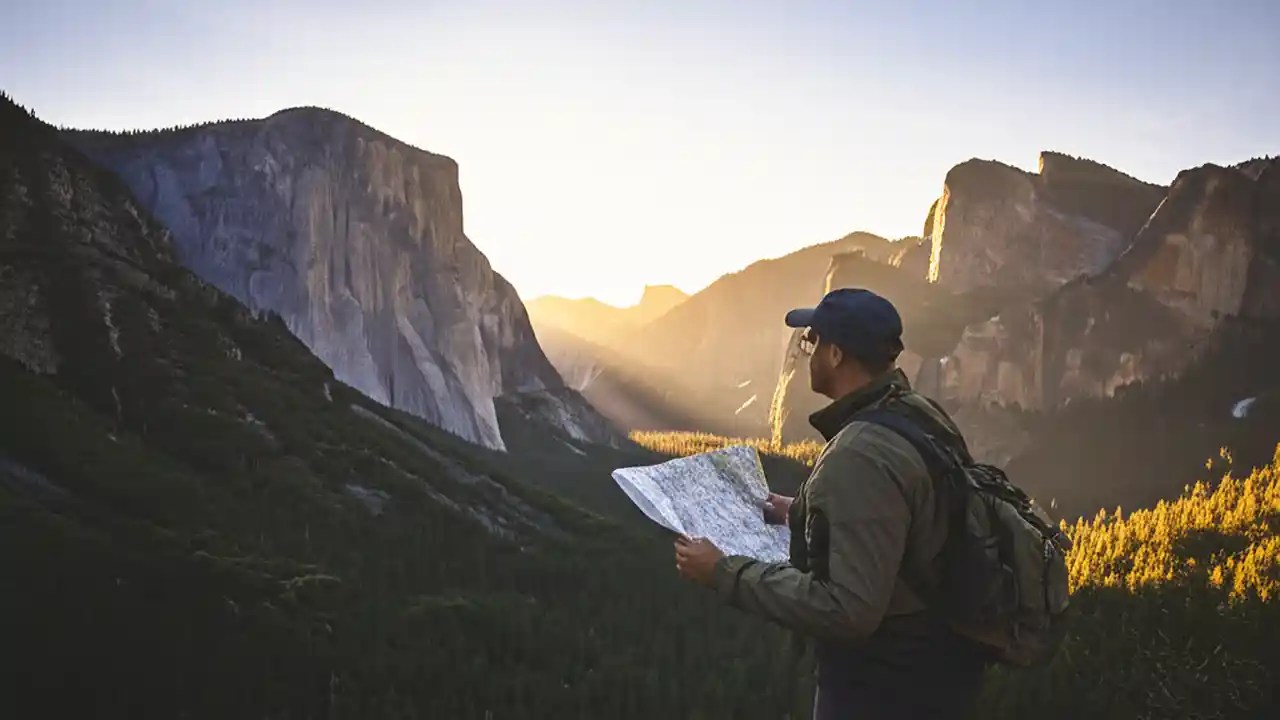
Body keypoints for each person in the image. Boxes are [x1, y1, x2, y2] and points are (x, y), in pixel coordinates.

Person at [674, 288, 988, 719]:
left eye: (813, 341)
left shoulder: (859, 453)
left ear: (836, 355)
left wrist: (723, 573)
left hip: (880, 691)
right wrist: (801, 513)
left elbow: (847, 610)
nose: (808, 352)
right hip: (935, 673)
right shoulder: (917, 412)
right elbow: (905, 517)